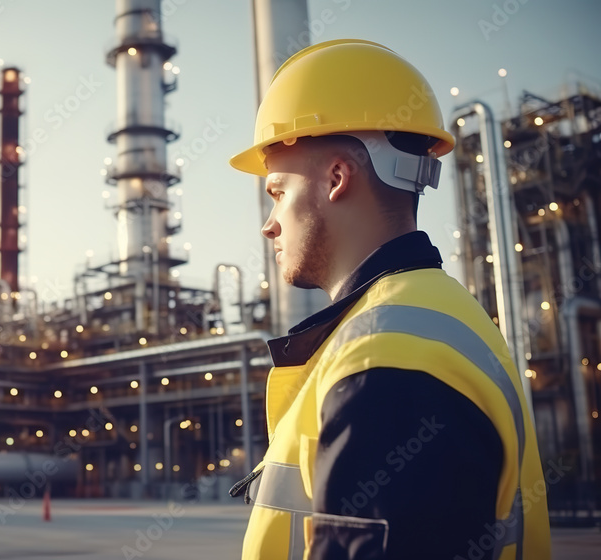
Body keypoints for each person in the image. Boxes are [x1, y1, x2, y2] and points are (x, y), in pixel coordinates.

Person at [227, 39, 551, 560]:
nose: (269, 225)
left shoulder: (385, 360)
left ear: (336, 178)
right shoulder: (435, 315)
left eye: (278, 192)